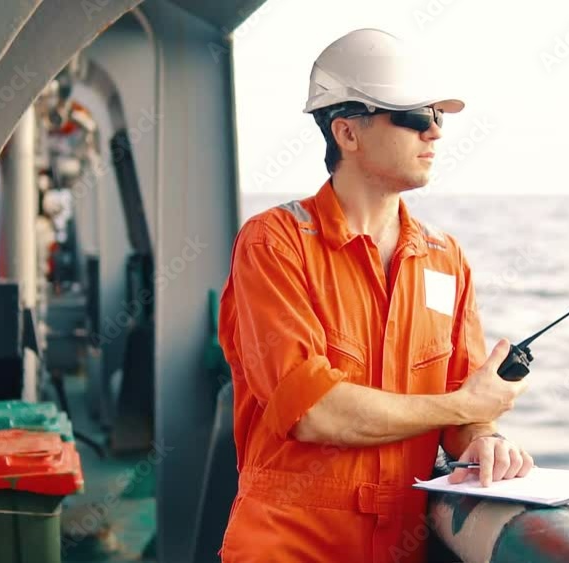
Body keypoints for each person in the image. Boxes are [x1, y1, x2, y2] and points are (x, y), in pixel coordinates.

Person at [217, 28, 534, 563]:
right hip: (287, 547)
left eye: (439, 117)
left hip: (397, 544)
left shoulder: (445, 258)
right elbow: (314, 412)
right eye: (414, 117)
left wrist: (483, 437)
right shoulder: (274, 243)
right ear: (347, 132)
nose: (434, 133)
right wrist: (465, 406)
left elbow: (463, 407)